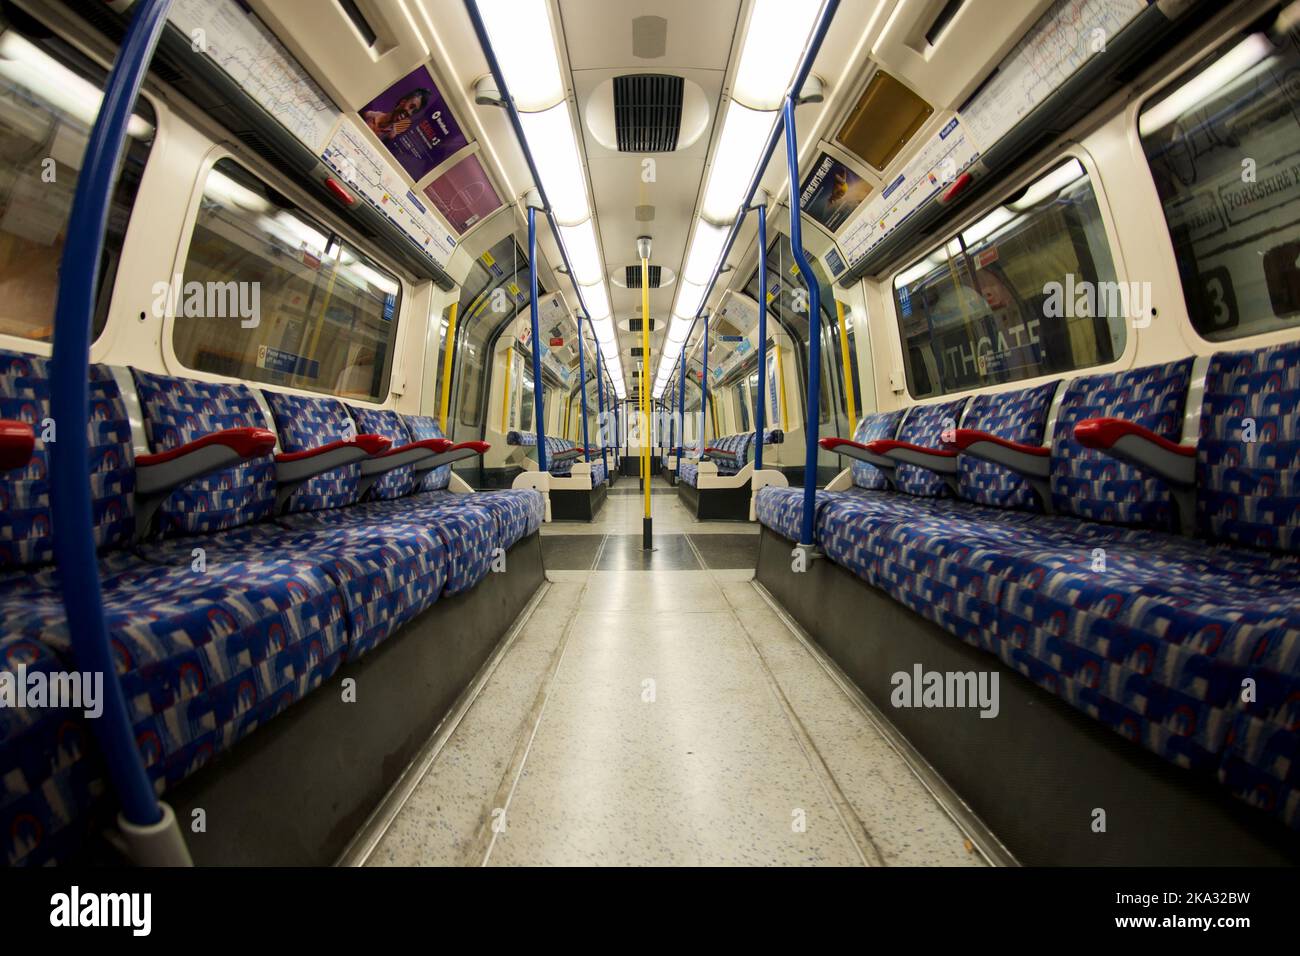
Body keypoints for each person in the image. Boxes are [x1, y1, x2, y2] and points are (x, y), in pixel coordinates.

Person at [363, 89, 430, 142]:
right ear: (402, 102)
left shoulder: (391, 136)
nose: (409, 113)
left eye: (414, 111)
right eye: (411, 106)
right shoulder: (369, 114)